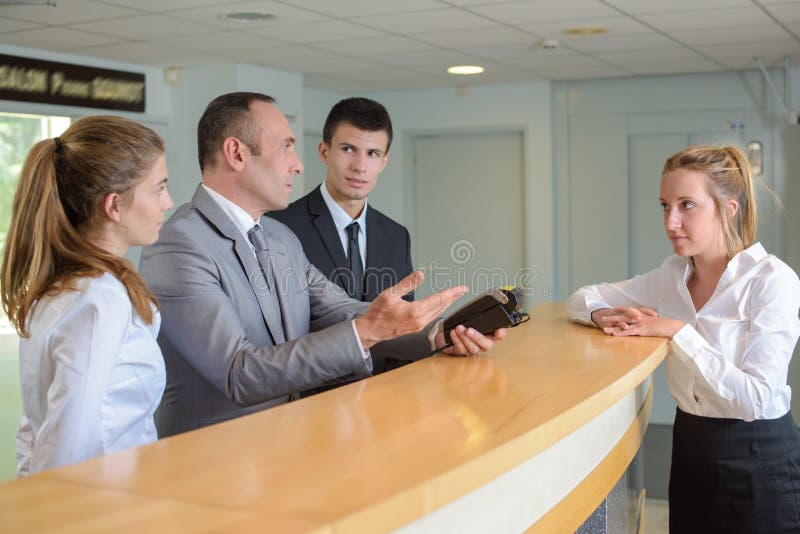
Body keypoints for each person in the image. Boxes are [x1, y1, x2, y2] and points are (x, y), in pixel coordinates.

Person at [139, 92, 504, 438]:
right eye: (286, 147)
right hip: (212, 465)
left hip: (290, 445)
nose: (298, 165)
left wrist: (437, 334)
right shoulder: (179, 244)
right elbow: (239, 373)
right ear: (236, 153)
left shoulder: (279, 237)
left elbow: (340, 309)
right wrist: (367, 332)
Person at [566, 145, 800, 532]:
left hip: (760, 456)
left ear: (728, 209)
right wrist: (600, 313)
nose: (671, 222)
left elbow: (754, 398)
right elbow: (580, 297)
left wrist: (678, 332)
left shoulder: (772, 282)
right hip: (691, 446)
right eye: (665, 206)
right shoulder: (670, 276)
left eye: (687, 205)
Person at [0, 115, 174, 476]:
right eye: (158, 188)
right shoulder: (100, 298)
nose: (167, 202)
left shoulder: (61, 286)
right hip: (99, 507)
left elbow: (35, 426)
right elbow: (67, 435)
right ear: (114, 206)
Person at [271, 97, 414, 376]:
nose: (360, 166)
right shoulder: (279, 228)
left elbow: (403, 327)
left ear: (384, 162)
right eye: (348, 149)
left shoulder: (397, 236)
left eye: (372, 154)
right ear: (324, 152)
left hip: (383, 397)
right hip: (309, 396)